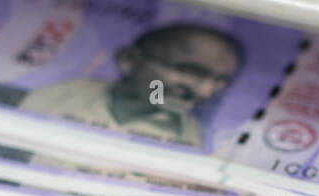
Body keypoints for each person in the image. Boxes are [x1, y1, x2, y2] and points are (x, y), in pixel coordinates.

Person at [19, 23, 243, 148]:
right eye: (190, 72)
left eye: (220, 81)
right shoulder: (60, 96)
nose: (204, 92)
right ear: (129, 61)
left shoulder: (190, 136)